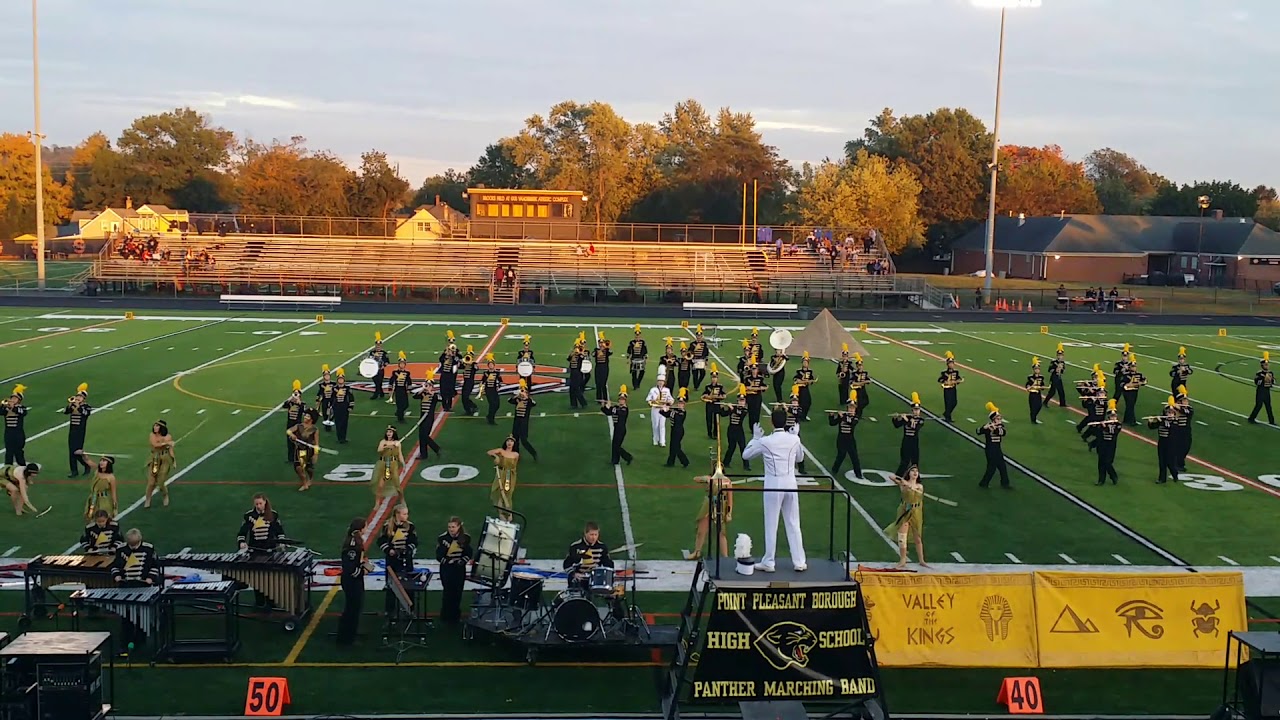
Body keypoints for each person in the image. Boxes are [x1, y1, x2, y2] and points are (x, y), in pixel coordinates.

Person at [742, 408, 807, 573]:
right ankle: (799, 561)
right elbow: (800, 459)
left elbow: (746, 455)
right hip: (791, 483)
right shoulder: (793, 440)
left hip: (773, 483)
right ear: (786, 422)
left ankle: (769, 561)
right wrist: (796, 437)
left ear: (771, 421)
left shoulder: (766, 441)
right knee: (793, 522)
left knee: (771, 523)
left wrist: (755, 438)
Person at [111, 528, 161, 654]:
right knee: (126, 616)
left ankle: (140, 640)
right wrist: (117, 575)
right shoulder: (121, 549)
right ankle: (125, 642)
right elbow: (115, 566)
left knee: (140, 616)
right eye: (130, 545)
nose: (132, 547)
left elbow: (155, 566)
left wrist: (150, 578)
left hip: (143, 586)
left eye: (135, 545)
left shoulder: (149, 549)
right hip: (126, 586)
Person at [238, 493, 284, 607]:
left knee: (270, 578)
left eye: (260, 503)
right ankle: (259, 602)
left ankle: (271, 601)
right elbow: (242, 533)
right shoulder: (249, 516)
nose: (258, 506)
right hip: (255, 551)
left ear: (265, 503)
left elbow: (280, 531)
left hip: (269, 550)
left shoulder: (273, 514)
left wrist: (281, 542)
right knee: (257, 578)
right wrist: (242, 542)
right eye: (256, 504)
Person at [683, 460, 733, 560]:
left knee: (721, 532)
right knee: (701, 530)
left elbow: (730, 499)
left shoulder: (727, 481)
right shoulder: (710, 479)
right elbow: (695, 479)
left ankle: (725, 557)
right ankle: (697, 552)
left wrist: (729, 513)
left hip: (721, 506)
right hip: (708, 504)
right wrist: (705, 478)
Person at [377, 504, 417, 618]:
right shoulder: (387, 526)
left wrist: (407, 550)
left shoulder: (410, 526)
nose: (406, 516)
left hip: (406, 560)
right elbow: (381, 541)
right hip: (392, 561)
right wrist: (389, 550)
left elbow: (414, 541)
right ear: (397, 514)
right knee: (391, 585)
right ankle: (390, 611)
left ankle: (410, 609)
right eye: (404, 514)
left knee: (409, 585)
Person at [884, 466, 927, 569]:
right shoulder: (903, 484)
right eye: (912, 471)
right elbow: (891, 476)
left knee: (917, 536)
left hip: (916, 511)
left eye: (917, 471)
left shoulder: (919, 486)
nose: (915, 473)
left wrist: (912, 487)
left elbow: (920, 492)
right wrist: (903, 482)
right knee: (902, 535)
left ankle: (921, 560)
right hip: (905, 510)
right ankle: (902, 560)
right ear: (909, 473)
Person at [336, 518, 369, 646]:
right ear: (361, 529)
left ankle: (350, 635)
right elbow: (350, 568)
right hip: (352, 581)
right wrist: (362, 572)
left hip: (354, 580)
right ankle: (346, 638)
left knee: (354, 608)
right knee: (351, 609)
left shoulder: (355, 541)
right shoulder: (353, 545)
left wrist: (364, 565)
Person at [435, 516, 471, 624]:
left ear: (459, 527)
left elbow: (468, 553)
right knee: (448, 592)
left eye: (453, 527)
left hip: (459, 570)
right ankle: (445, 616)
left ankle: (455, 616)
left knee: (457, 592)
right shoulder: (442, 538)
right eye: (449, 527)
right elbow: (439, 555)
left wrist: (461, 561)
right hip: (447, 569)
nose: (451, 529)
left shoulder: (465, 538)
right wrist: (448, 561)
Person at [563, 521, 614, 591]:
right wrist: (574, 574)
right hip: (578, 579)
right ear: (585, 534)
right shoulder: (575, 546)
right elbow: (566, 564)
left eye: (596, 535)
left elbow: (608, 565)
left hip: (595, 580)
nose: (594, 538)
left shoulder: (602, 547)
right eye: (591, 534)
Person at [829, 390, 863, 479]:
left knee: (854, 457)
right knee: (841, 455)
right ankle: (834, 470)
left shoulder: (856, 417)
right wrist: (831, 416)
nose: (851, 410)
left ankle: (858, 474)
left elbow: (851, 423)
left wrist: (842, 416)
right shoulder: (843, 416)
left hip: (850, 439)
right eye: (850, 408)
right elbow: (832, 423)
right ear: (847, 408)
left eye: (853, 408)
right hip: (841, 439)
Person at [1147, 397, 1181, 484]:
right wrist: (1151, 422)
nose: (1170, 414)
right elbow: (1152, 427)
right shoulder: (1163, 420)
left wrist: (1161, 421)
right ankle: (1162, 478)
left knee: (1170, 462)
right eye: (1168, 413)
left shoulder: (1175, 421)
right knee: (1162, 461)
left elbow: (1169, 427)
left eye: (1171, 413)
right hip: (1162, 442)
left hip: (1171, 443)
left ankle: (1175, 473)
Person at [977, 403, 1010, 489]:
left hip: (997, 450)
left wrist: (995, 427)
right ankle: (983, 483)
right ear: (993, 419)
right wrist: (984, 428)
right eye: (998, 419)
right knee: (991, 468)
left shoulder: (999, 427)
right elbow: (978, 431)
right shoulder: (988, 427)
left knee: (1002, 466)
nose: (1000, 420)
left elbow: (1002, 433)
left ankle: (1005, 483)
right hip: (990, 450)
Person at [487, 436, 520, 520]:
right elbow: (489, 452)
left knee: (508, 493)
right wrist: (496, 456)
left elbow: (514, 466)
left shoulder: (516, 454)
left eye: (511, 441)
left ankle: (509, 514)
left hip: (509, 475)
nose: (509, 443)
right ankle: (501, 513)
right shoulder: (501, 451)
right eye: (508, 441)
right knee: (499, 493)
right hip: (501, 474)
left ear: (514, 444)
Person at [286, 410, 319, 492]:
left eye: (308, 416)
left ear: (312, 419)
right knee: (298, 468)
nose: (305, 417)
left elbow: (316, 444)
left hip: (309, 451)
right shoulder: (299, 426)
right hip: (299, 450)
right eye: (305, 415)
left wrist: (316, 454)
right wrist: (292, 435)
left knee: (309, 468)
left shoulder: (314, 429)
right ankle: (304, 484)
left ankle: (310, 479)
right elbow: (288, 431)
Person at [719, 389, 751, 471]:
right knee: (731, 447)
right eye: (740, 401)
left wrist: (731, 408)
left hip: (739, 430)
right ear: (737, 401)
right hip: (731, 429)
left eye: (743, 401)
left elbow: (739, 414)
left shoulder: (745, 410)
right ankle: (726, 463)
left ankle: (746, 466)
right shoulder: (734, 407)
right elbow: (723, 414)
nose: (741, 402)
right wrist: (722, 408)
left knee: (743, 447)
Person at [892, 393, 924, 477]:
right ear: (912, 410)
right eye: (915, 410)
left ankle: (916, 479)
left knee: (915, 462)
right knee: (905, 461)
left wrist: (906, 420)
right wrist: (895, 418)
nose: (916, 411)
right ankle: (898, 476)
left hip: (914, 442)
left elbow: (915, 427)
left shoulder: (921, 420)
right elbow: (897, 425)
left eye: (918, 409)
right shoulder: (908, 418)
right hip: (906, 442)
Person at [600, 386, 634, 466]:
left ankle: (628, 457)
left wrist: (609, 406)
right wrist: (603, 406)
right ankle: (615, 460)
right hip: (617, 429)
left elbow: (620, 413)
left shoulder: (625, 409)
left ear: (625, 401)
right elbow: (607, 412)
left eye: (622, 400)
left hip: (621, 430)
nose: (621, 401)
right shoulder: (616, 407)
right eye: (620, 399)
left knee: (617, 446)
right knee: (614, 445)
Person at [1090, 401, 1122, 485]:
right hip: (1102, 445)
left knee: (1107, 462)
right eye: (1111, 416)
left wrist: (1105, 427)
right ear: (1108, 417)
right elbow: (1097, 434)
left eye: (1114, 416)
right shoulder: (1103, 423)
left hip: (1110, 446)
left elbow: (1113, 432)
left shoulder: (1118, 425)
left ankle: (1113, 476)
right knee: (1101, 463)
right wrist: (1096, 427)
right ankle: (1101, 480)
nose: (1113, 418)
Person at [413, 372, 443, 460]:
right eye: (427, 385)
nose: (427, 386)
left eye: (429, 385)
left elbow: (441, 399)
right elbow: (414, 396)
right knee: (421, 436)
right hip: (422, 417)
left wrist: (431, 392)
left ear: (432, 386)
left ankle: (436, 448)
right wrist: (423, 389)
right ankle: (424, 454)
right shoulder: (422, 394)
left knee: (425, 435)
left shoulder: (434, 395)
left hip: (429, 417)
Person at [373, 426, 406, 506]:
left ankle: (402, 500)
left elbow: (400, 454)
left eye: (390, 432)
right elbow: (379, 450)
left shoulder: (397, 443)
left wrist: (403, 464)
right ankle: (377, 503)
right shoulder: (383, 442)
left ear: (394, 433)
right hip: (384, 464)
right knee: (380, 485)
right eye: (387, 432)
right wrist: (388, 446)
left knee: (397, 486)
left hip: (393, 464)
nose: (388, 433)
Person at [65, 383, 92, 477]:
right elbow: (66, 412)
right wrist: (70, 404)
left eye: (80, 397)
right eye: (77, 396)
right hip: (72, 431)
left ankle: (86, 465)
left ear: (84, 398)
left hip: (80, 432)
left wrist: (78, 406)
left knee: (77, 452)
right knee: (71, 452)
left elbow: (85, 413)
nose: (78, 398)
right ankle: (74, 471)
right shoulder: (73, 405)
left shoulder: (86, 407)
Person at [145, 420, 175, 507]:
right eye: (154, 426)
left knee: (161, 481)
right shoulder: (152, 435)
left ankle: (165, 495)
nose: (155, 428)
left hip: (164, 459)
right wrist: (167, 443)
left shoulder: (168, 436)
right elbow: (155, 445)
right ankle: (148, 499)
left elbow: (170, 449)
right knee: (151, 482)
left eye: (157, 426)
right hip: (155, 459)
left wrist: (173, 460)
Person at [81, 453, 118, 520]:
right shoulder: (97, 471)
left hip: (104, 501)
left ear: (108, 463)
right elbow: (88, 461)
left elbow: (113, 493)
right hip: (93, 498)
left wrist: (115, 507)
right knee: (92, 517)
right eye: (101, 460)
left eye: (104, 461)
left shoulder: (111, 477)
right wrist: (83, 454)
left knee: (102, 517)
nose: (101, 462)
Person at [509, 380, 539, 459]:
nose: (522, 393)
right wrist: (517, 396)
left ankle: (534, 453)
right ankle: (516, 455)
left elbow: (534, 403)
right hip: (516, 422)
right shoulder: (517, 400)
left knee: (524, 440)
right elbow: (509, 400)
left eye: (524, 392)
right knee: (515, 439)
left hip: (523, 423)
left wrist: (526, 397)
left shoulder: (528, 402)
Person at [661, 389, 690, 468]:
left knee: (676, 447)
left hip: (679, 431)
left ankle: (685, 462)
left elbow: (676, 418)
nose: (679, 404)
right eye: (679, 403)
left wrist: (669, 409)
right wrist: (662, 409)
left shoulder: (682, 412)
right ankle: (670, 462)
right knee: (672, 446)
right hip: (673, 430)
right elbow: (666, 414)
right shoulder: (675, 410)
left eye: (681, 403)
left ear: (684, 404)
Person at [3, 385, 29, 466]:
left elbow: (21, 412)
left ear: (19, 400)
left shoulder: (22, 408)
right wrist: (2, 405)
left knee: (19, 453)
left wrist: (13, 407)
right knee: (9, 453)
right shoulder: (6, 409)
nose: (12, 400)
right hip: (8, 433)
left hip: (18, 434)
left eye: (15, 398)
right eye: (12, 398)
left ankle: (23, 471)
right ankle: (7, 472)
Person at [282, 380, 307, 463]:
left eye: (297, 393)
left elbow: (304, 411)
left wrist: (299, 403)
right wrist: (290, 399)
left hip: (297, 425)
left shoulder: (302, 404)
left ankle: (301, 459)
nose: (296, 395)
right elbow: (284, 405)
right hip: (290, 425)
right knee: (289, 442)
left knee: (299, 443)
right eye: (294, 393)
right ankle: (290, 459)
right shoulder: (290, 403)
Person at [646, 377, 674, 447]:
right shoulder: (653, 390)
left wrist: (670, 402)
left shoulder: (667, 390)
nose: (661, 382)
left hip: (663, 409)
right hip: (655, 409)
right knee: (655, 425)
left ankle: (662, 441)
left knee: (662, 425)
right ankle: (655, 439)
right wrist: (650, 402)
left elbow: (670, 399)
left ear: (664, 382)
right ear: (657, 382)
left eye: (662, 381)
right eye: (659, 381)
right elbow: (648, 399)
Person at [700, 366, 726, 440]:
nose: (714, 379)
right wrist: (708, 398)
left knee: (716, 419)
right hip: (709, 404)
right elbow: (703, 396)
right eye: (713, 378)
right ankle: (709, 433)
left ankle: (715, 433)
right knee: (709, 419)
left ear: (717, 378)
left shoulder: (720, 386)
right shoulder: (707, 386)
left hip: (716, 404)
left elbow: (724, 395)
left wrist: (718, 397)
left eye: (715, 378)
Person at [1250, 352, 1275, 425]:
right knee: (1259, 405)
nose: (1267, 366)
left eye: (1267, 364)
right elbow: (1257, 382)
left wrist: (1271, 379)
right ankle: (1251, 418)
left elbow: (1273, 382)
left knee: (1268, 406)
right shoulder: (1259, 373)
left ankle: (1271, 421)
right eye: (1265, 365)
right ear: (1262, 365)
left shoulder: (1270, 373)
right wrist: (1263, 378)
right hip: (1260, 391)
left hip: (1267, 391)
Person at [331, 369, 356, 443]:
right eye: (339, 379)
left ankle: (344, 437)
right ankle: (339, 438)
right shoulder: (334, 388)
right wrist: (331, 407)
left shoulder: (347, 388)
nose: (341, 380)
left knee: (344, 423)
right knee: (338, 423)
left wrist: (350, 407)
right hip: (336, 407)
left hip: (344, 407)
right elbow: (331, 399)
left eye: (342, 379)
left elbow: (351, 398)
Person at [1121, 354, 1146, 426]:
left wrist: (1141, 383)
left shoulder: (1139, 374)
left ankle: (1126, 419)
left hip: (1135, 391)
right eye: (1132, 366)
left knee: (1130, 405)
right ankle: (1132, 420)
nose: (1134, 368)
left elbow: (1145, 381)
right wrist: (1129, 384)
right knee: (1130, 405)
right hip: (1127, 392)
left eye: (1134, 366)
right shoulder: (1126, 375)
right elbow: (1122, 384)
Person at [937, 354, 962, 423]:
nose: (951, 365)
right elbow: (939, 380)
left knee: (954, 402)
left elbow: (958, 379)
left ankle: (946, 413)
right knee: (948, 403)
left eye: (952, 363)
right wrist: (944, 381)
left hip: (953, 389)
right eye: (950, 363)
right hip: (947, 389)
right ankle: (948, 417)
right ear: (947, 364)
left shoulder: (956, 372)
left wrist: (958, 381)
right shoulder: (944, 373)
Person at [480, 354, 503, 425]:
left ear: (494, 365)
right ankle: (491, 419)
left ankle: (489, 416)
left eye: (491, 364)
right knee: (492, 404)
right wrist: (481, 390)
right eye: (489, 364)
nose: (490, 365)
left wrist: (498, 386)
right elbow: (482, 382)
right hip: (488, 390)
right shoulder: (486, 373)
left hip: (494, 390)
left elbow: (500, 381)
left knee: (497, 405)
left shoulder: (497, 373)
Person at [390, 352, 412, 423]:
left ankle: (399, 412)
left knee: (406, 404)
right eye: (401, 363)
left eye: (403, 363)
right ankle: (400, 418)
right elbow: (391, 380)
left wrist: (409, 389)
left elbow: (409, 381)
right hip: (397, 390)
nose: (402, 365)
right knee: (399, 404)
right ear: (399, 364)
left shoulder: (407, 373)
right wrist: (390, 389)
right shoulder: (395, 372)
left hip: (403, 390)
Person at [368, 332, 390, 400]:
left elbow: (387, 362)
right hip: (373, 370)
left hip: (380, 370)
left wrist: (383, 366)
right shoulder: (372, 352)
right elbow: (369, 360)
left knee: (379, 382)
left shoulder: (384, 353)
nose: (378, 347)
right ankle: (381, 392)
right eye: (377, 345)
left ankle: (376, 394)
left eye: (379, 345)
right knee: (376, 382)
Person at [1025, 359, 1046, 424]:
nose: (1037, 370)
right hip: (1032, 394)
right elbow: (1027, 384)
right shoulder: (1030, 377)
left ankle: (1034, 417)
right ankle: (1033, 419)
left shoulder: (1041, 377)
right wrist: (1029, 387)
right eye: (1036, 369)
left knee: (1039, 406)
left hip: (1038, 394)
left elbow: (1042, 385)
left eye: (1038, 369)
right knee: (1033, 407)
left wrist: (1042, 388)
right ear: (1033, 370)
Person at [316, 364, 336, 430]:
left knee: (331, 412)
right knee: (325, 412)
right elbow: (320, 393)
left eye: (328, 375)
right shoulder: (321, 384)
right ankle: (326, 424)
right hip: (325, 400)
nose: (327, 376)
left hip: (332, 399)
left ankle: (330, 422)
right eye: (325, 375)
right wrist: (318, 400)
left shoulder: (333, 384)